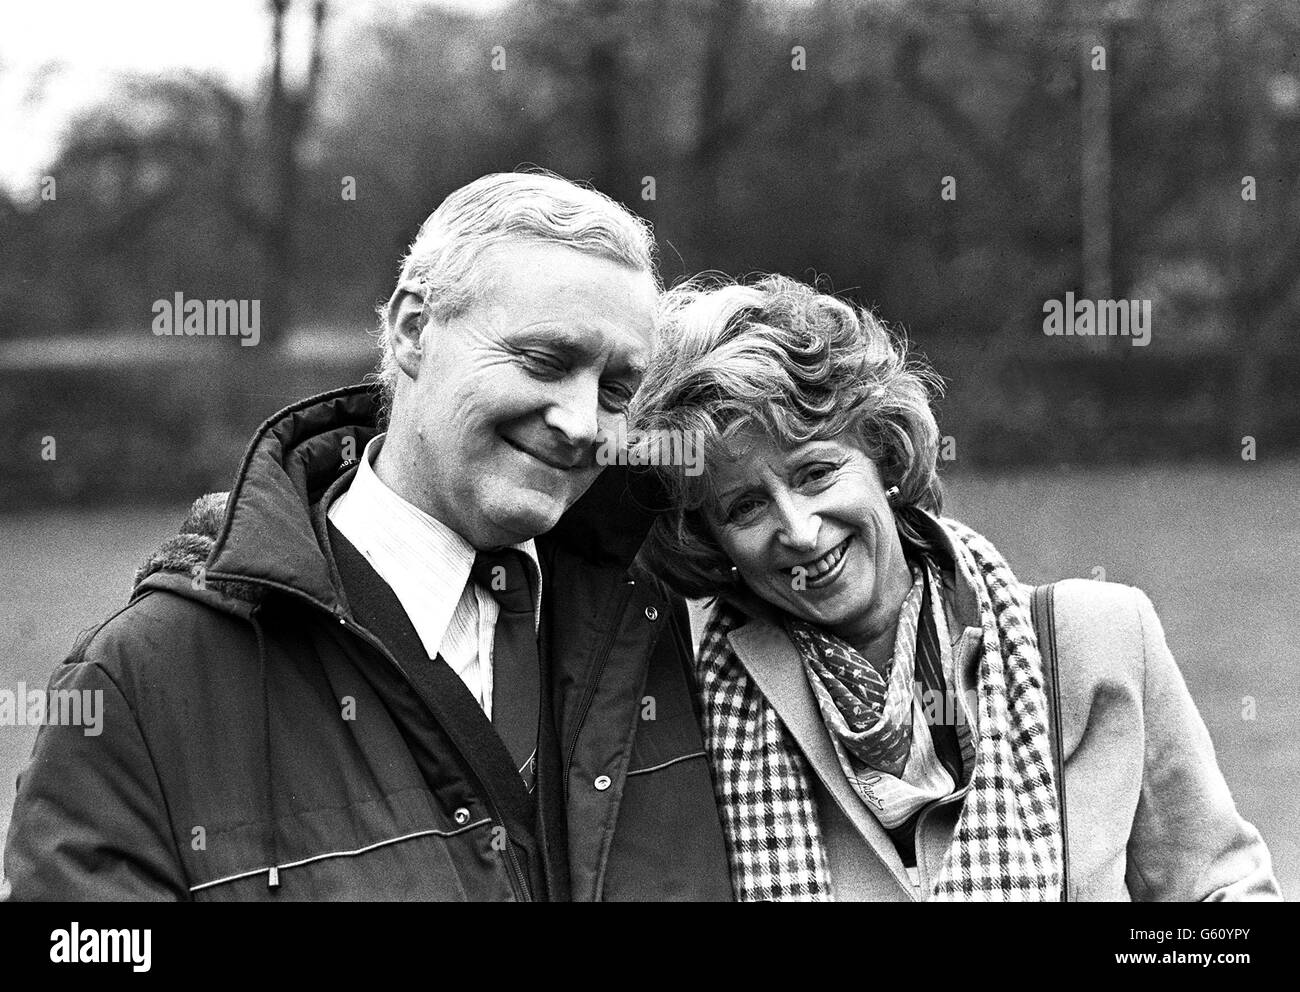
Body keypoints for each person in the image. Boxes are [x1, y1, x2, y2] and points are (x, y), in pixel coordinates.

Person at [2, 172, 733, 901]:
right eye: (545, 362)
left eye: (614, 391)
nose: (580, 423)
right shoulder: (145, 684)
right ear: (413, 330)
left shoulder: (656, 620)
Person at [627, 273, 1282, 901]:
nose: (798, 530)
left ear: (882, 451)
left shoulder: (1098, 642)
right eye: (744, 507)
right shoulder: (688, 705)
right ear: (709, 539)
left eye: (815, 473)